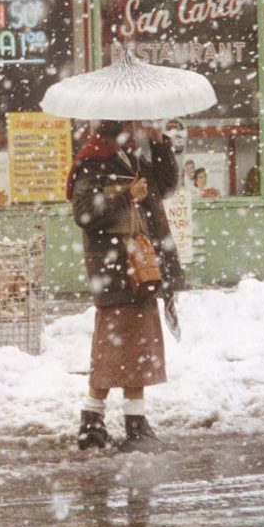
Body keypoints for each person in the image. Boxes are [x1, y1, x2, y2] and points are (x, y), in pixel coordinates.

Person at [68, 119, 184, 453]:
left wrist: (159, 142)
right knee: (126, 347)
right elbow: (84, 213)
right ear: (118, 125)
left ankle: (95, 422)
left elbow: (164, 185)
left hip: (136, 264)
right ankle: (133, 426)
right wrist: (125, 197)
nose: (139, 128)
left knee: (124, 348)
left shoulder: (128, 156)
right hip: (117, 266)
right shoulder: (93, 161)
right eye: (134, 124)